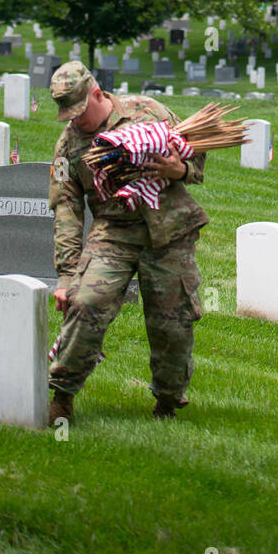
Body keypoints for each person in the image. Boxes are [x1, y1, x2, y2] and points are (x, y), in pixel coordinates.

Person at [46, 61, 207, 425]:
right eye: (67, 113)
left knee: (173, 321)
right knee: (86, 304)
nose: (74, 120)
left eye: (79, 111)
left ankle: (167, 400)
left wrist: (179, 170)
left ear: (98, 94)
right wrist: (66, 275)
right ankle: (62, 394)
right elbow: (66, 210)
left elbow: (195, 152)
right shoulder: (69, 144)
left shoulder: (147, 112)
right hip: (114, 231)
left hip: (168, 229)